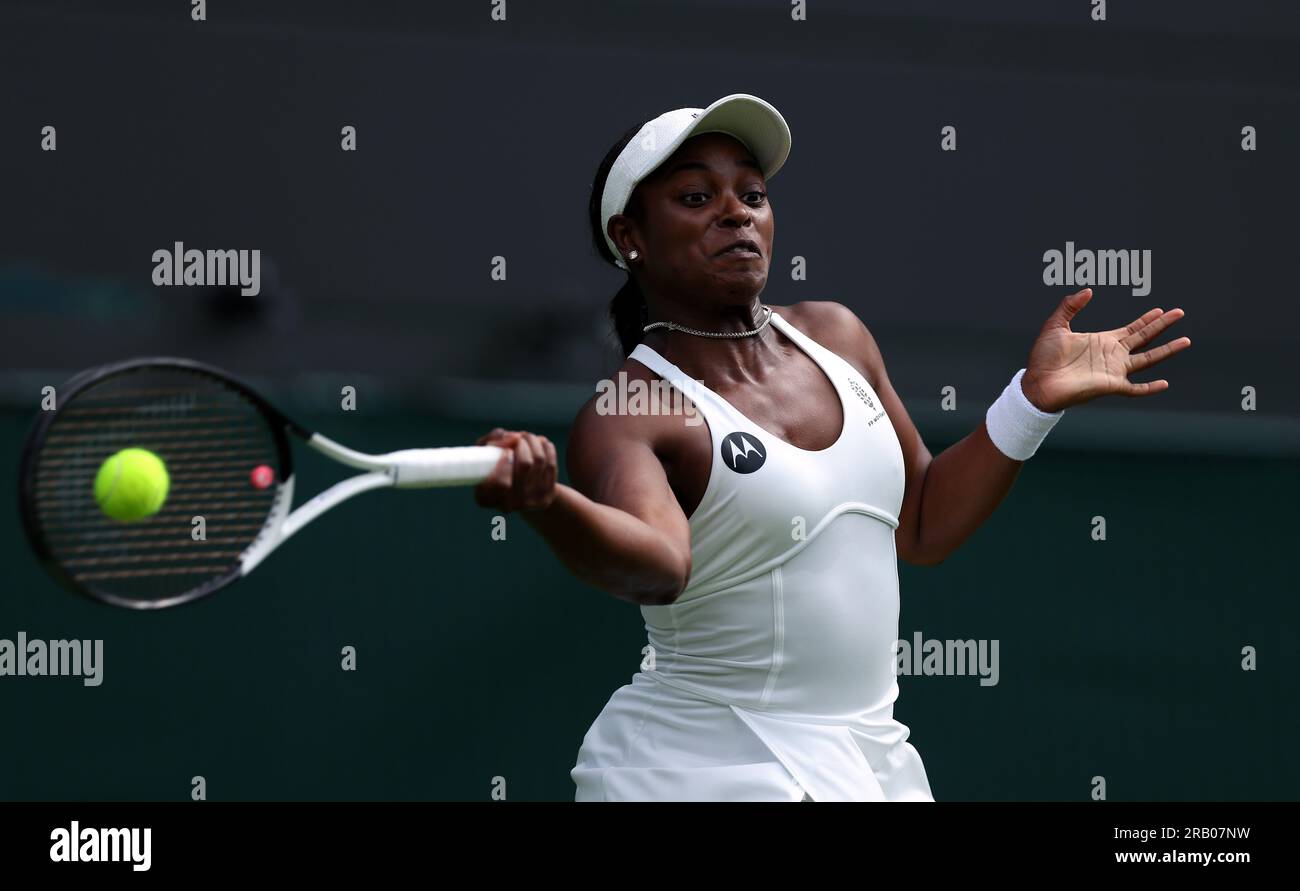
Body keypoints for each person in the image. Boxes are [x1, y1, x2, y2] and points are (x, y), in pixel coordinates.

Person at [473, 93, 1191, 801]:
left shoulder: (837, 335)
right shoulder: (630, 410)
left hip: (866, 762)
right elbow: (658, 566)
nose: (735, 212)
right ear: (632, 237)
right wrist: (549, 503)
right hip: (698, 766)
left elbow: (923, 523)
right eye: (696, 196)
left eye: (751, 193)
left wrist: (1028, 403)